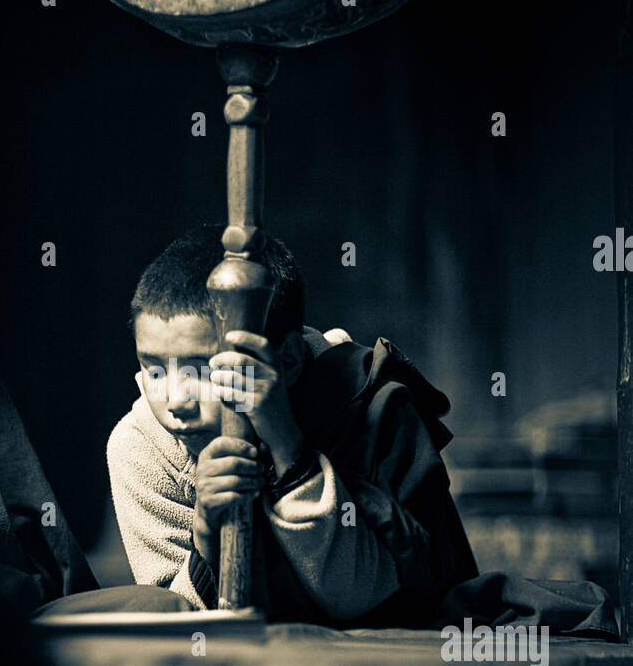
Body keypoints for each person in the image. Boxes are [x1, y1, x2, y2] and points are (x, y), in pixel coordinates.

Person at [105, 224, 478, 625]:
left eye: (204, 371)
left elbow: (368, 598)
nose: (176, 401)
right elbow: (172, 622)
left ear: (289, 361)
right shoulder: (141, 446)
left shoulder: (369, 403)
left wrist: (287, 447)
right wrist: (207, 537)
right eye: (154, 370)